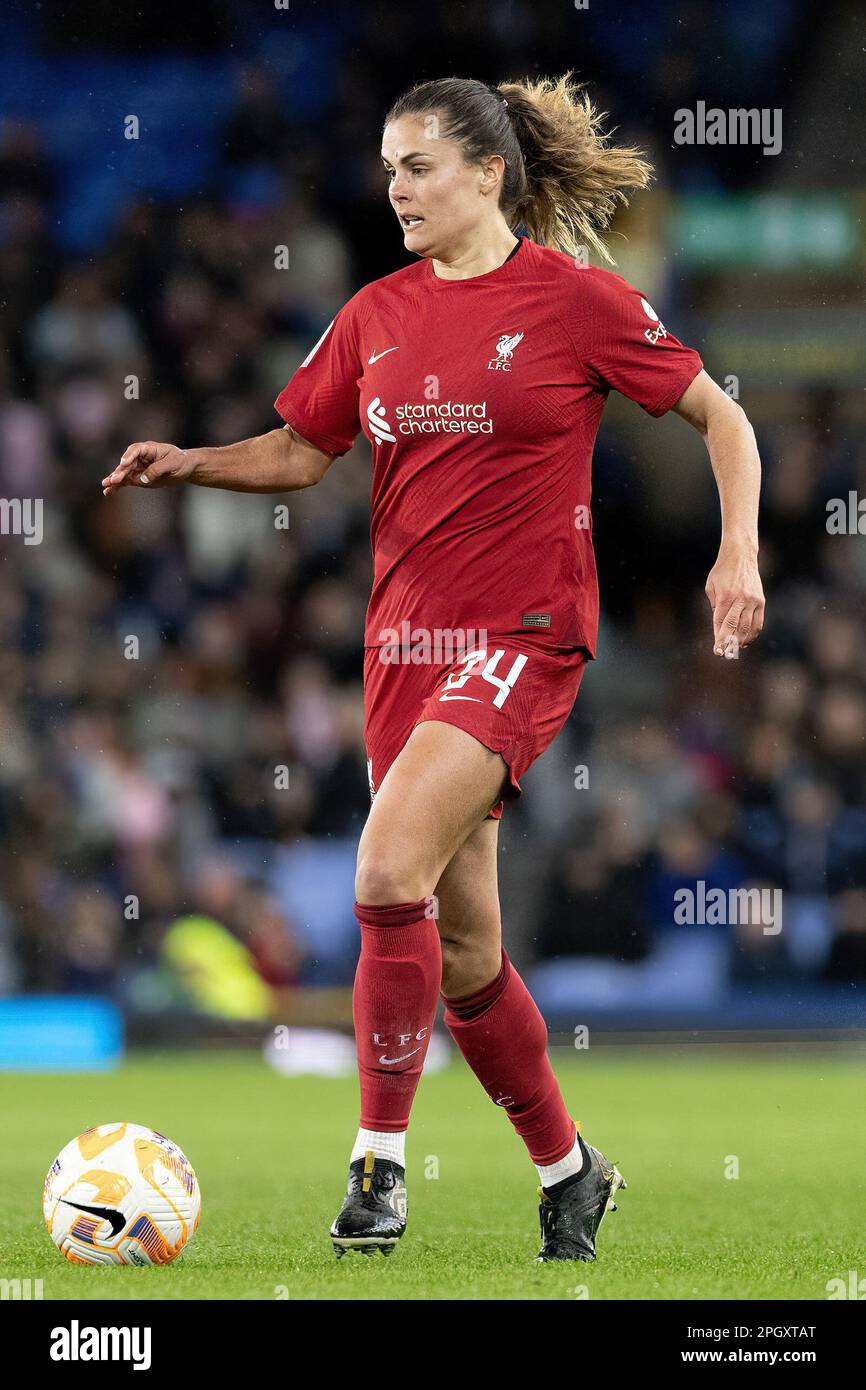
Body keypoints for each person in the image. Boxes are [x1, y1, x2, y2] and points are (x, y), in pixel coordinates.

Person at [103, 74, 765, 1263]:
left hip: (522, 637)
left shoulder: (577, 302)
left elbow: (726, 420)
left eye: (416, 165)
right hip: (400, 654)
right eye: (387, 167)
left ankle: (377, 1167)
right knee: (462, 954)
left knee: (382, 865)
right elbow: (302, 451)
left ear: (486, 173)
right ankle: (571, 1169)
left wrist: (734, 554)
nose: (394, 187)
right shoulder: (375, 313)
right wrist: (187, 463)